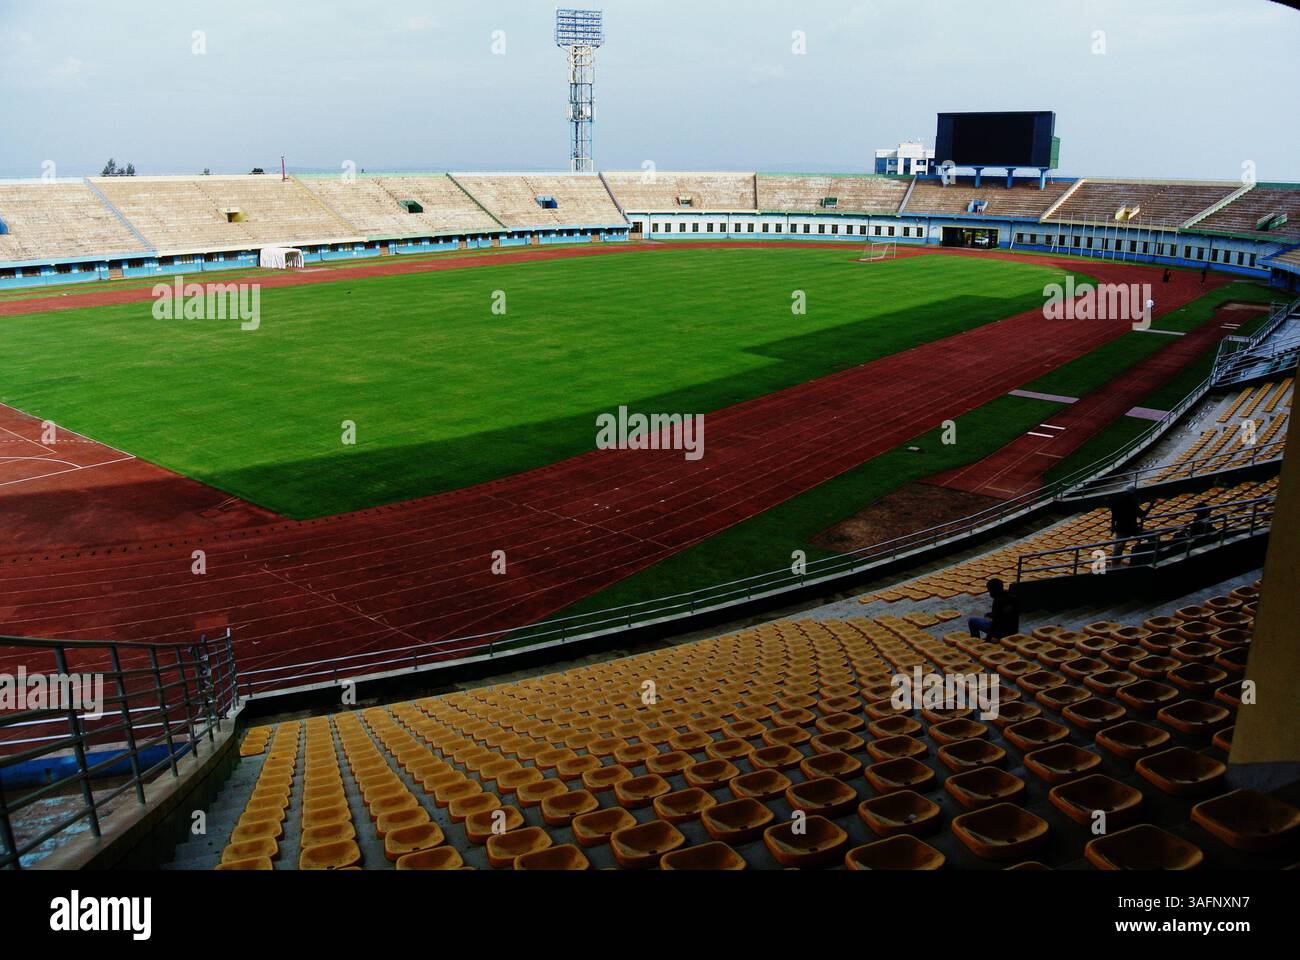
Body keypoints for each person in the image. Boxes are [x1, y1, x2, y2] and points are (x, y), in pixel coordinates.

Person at [1109, 489, 1152, 562]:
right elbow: (1142, 515)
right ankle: (1150, 553)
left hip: (1121, 528)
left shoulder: (1117, 502)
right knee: (1152, 535)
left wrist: (1113, 527)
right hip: (1132, 528)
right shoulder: (1132, 504)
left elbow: (1113, 517)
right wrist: (1151, 504)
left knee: (1118, 547)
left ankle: (1115, 563)